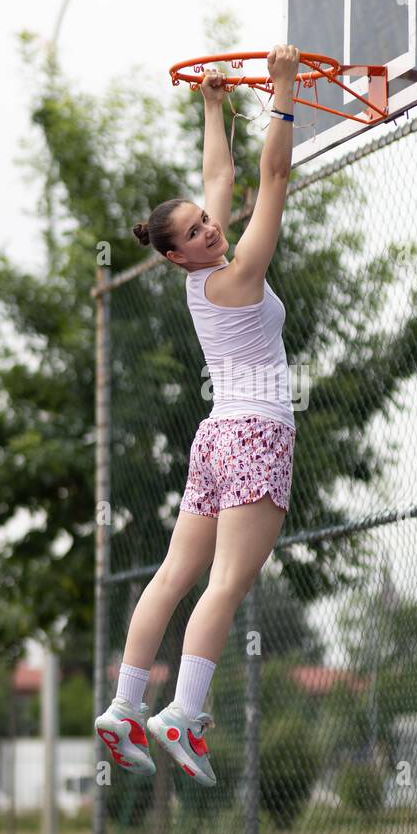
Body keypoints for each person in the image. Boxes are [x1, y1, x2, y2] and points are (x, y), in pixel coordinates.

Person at [95, 45, 301, 786]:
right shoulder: (238, 275)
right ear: (178, 256)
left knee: (174, 574)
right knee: (221, 584)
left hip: (214, 438)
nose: (212, 228)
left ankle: (123, 707)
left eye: (208, 224)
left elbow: (222, 177)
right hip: (253, 434)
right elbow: (272, 176)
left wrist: (213, 106)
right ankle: (180, 711)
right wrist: (281, 91)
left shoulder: (199, 274)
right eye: (199, 232)